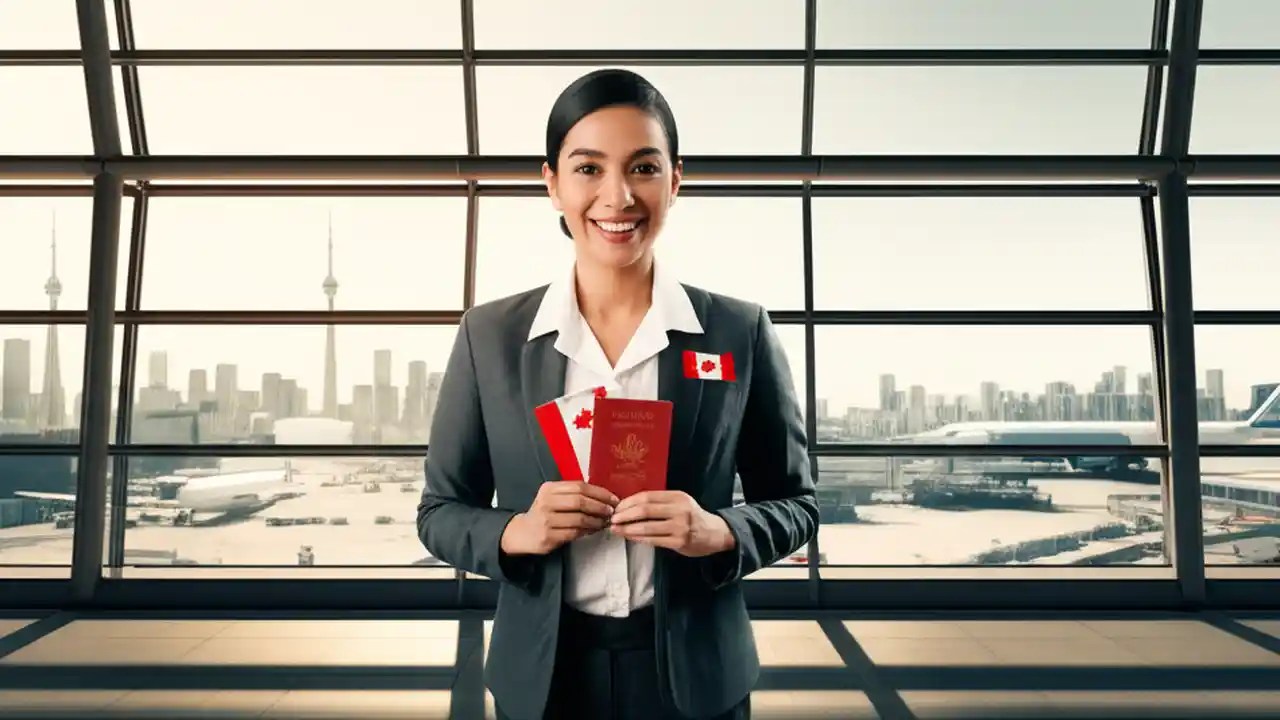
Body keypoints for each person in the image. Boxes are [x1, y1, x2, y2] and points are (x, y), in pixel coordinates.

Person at [417, 68, 818, 720]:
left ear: (675, 181)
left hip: (694, 672)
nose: (618, 195)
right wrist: (517, 531)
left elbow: (796, 504)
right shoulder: (488, 337)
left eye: (643, 167)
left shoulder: (738, 331)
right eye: (588, 169)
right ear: (551, 184)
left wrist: (717, 531)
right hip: (545, 672)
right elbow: (439, 512)